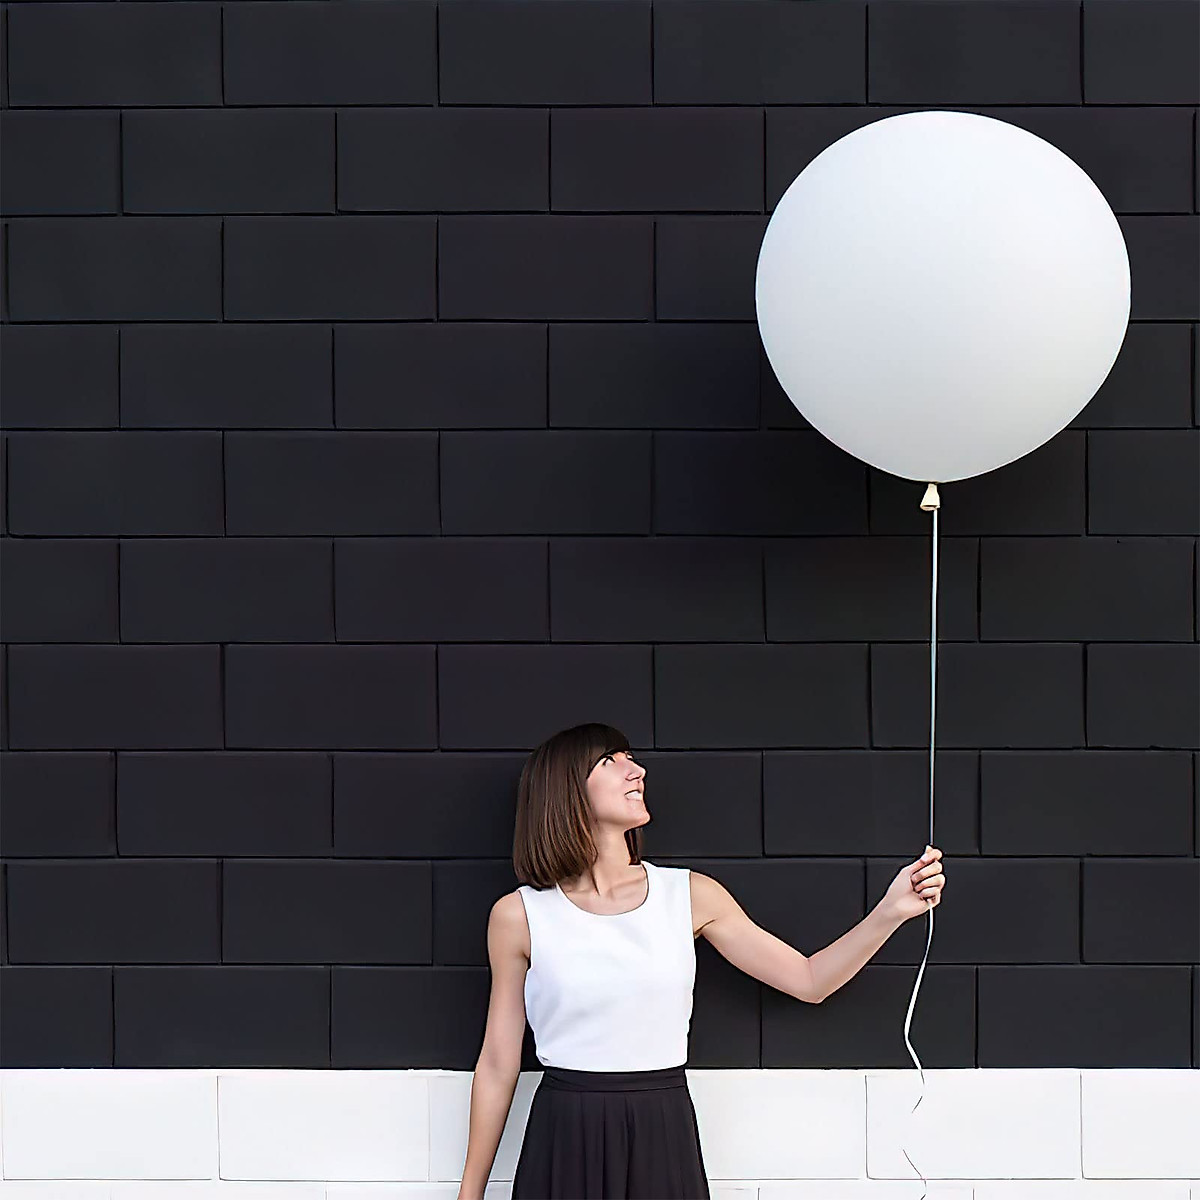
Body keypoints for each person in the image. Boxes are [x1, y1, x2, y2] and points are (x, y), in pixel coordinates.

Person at [457, 722, 946, 1200]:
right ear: (565, 789)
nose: (636, 771)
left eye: (631, 758)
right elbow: (498, 1063)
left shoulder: (689, 895)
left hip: (661, 1132)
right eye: (610, 761)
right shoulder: (519, 916)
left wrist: (890, 911)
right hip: (564, 1137)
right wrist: (470, 1193)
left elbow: (809, 979)